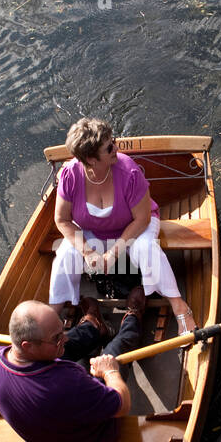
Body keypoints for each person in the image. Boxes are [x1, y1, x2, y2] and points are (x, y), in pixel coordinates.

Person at [49, 117, 196, 334]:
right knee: (65, 254)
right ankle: (54, 312)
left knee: (146, 249)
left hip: (135, 225)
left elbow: (143, 218)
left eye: (114, 141)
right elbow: (62, 220)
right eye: (109, 147)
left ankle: (178, 304)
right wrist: (88, 252)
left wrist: (112, 254)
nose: (116, 148)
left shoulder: (129, 171)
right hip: (93, 231)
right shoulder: (70, 175)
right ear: (90, 159)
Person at [0, 291, 145, 442]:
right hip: (93, 441)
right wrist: (109, 371)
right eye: (57, 337)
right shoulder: (68, 382)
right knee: (115, 351)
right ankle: (132, 320)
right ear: (27, 346)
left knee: (68, 344)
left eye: (62, 329)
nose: (63, 338)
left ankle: (93, 327)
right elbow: (122, 405)